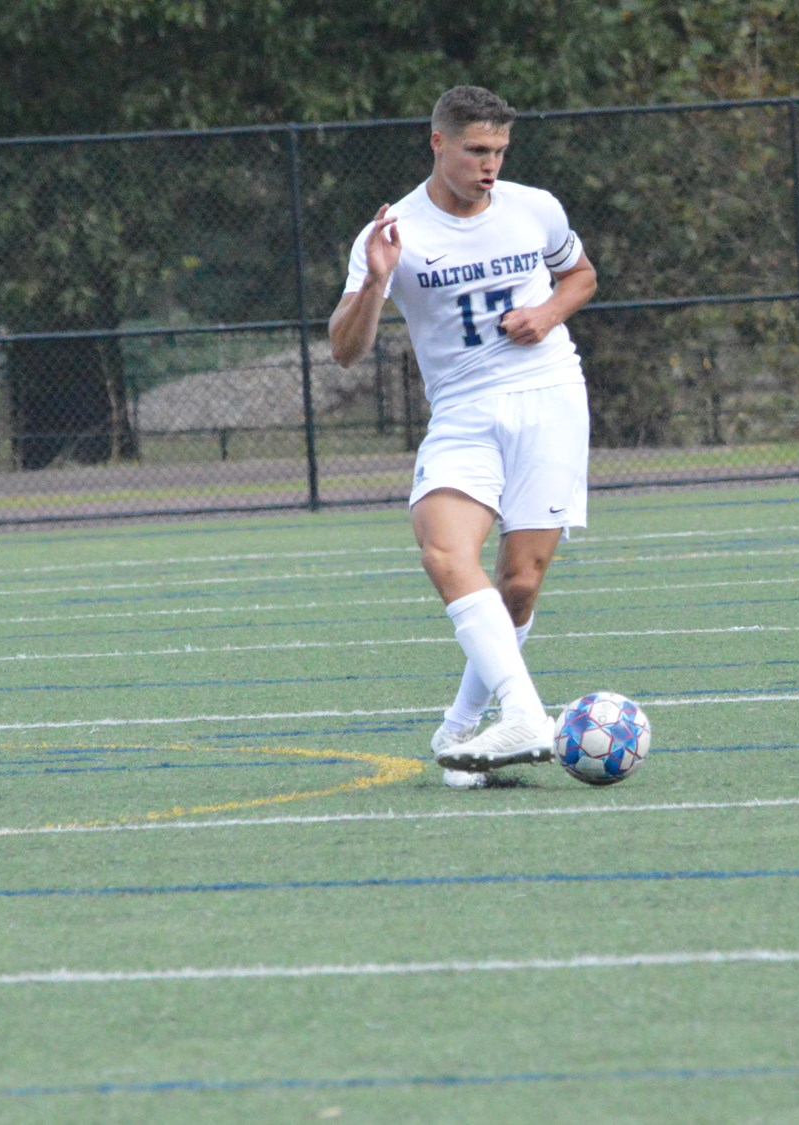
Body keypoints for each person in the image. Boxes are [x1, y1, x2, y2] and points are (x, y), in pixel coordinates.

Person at [328, 85, 598, 790]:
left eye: (500, 151)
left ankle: (459, 732)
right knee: (444, 551)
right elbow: (345, 350)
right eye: (477, 150)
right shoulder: (390, 233)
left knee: (518, 586)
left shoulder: (534, 207)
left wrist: (546, 313)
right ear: (438, 143)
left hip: (550, 398)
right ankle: (528, 717)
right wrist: (375, 286)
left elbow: (581, 275)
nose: (491, 165)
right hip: (462, 410)